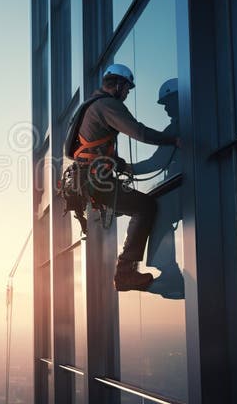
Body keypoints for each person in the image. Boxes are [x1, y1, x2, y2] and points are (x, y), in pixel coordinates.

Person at [71, 64, 180, 292]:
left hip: (89, 179)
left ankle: (130, 270)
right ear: (119, 85)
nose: (127, 94)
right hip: (96, 180)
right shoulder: (107, 105)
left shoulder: (91, 105)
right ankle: (125, 273)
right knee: (146, 206)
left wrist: (118, 163)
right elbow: (139, 132)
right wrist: (172, 140)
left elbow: (92, 143)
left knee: (141, 206)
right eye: (127, 90)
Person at [131, 78, 184, 299]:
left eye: (167, 103)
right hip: (187, 186)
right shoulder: (187, 123)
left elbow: (156, 163)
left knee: (152, 211)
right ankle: (169, 273)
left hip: (185, 188)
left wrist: (125, 168)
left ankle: (170, 273)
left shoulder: (178, 128)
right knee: (155, 211)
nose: (165, 109)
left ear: (178, 98)